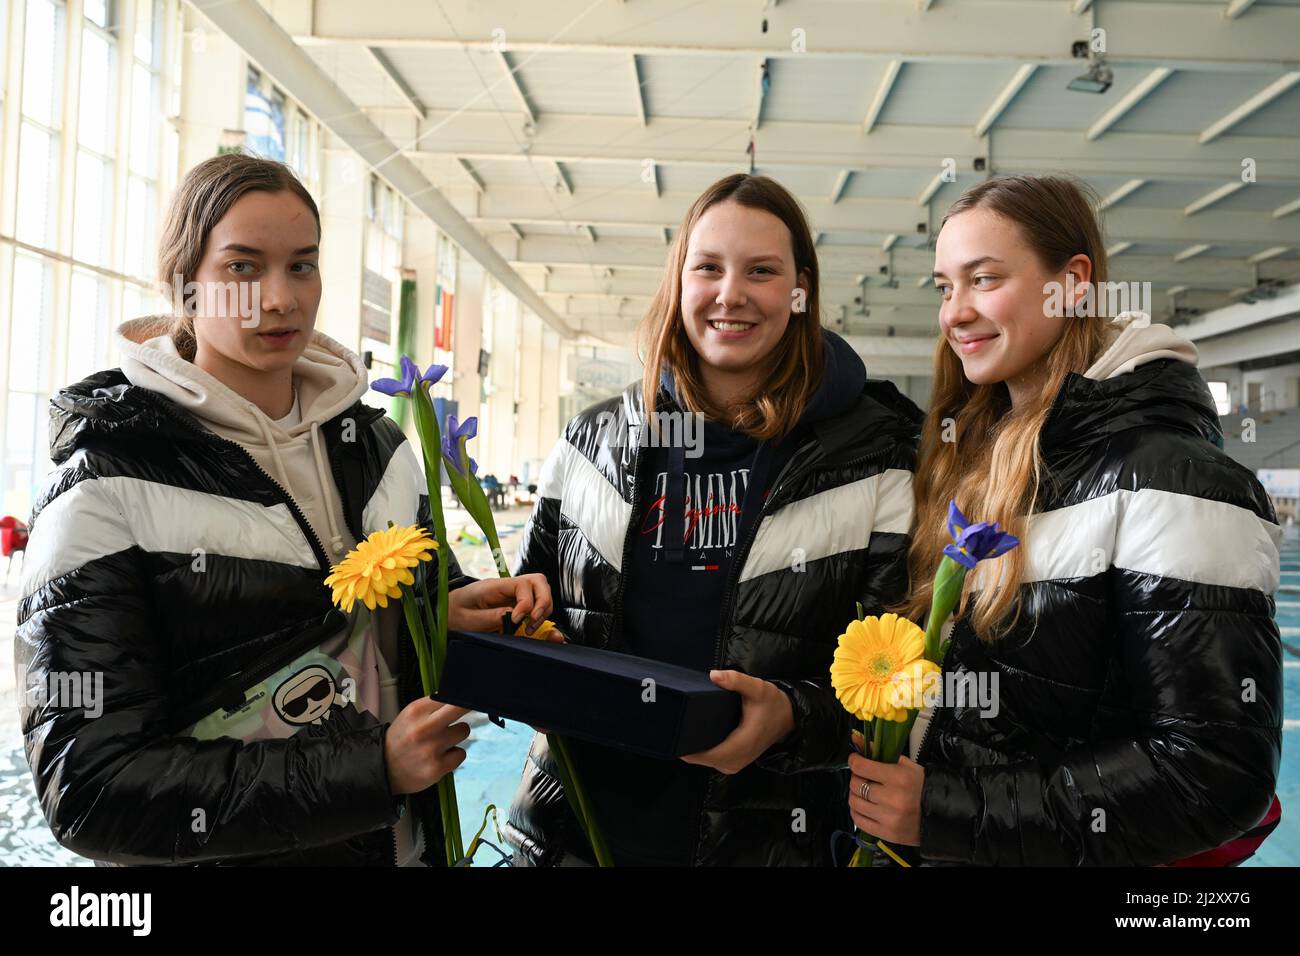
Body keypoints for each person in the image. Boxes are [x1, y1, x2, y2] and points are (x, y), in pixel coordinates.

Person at [15, 153, 553, 866]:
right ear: (185, 284)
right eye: (243, 268)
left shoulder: (379, 450)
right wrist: (371, 771)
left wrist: (470, 618)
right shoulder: (106, 486)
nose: (280, 298)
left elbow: (411, 633)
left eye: (302, 265)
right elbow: (90, 788)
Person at [846, 174, 1282, 866]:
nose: (955, 312)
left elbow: (1215, 774)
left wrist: (943, 812)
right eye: (944, 287)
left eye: (983, 279)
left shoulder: (1173, 479)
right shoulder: (978, 463)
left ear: (1072, 282)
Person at [505, 173, 922, 865]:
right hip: (576, 831)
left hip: (768, 841)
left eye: (761, 271)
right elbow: (532, 605)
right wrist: (513, 616)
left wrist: (793, 716)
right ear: (679, 282)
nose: (731, 294)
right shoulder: (592, 441)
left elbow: (903, 673)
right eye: (708, 267)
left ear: (800, 290)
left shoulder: (877, 458)